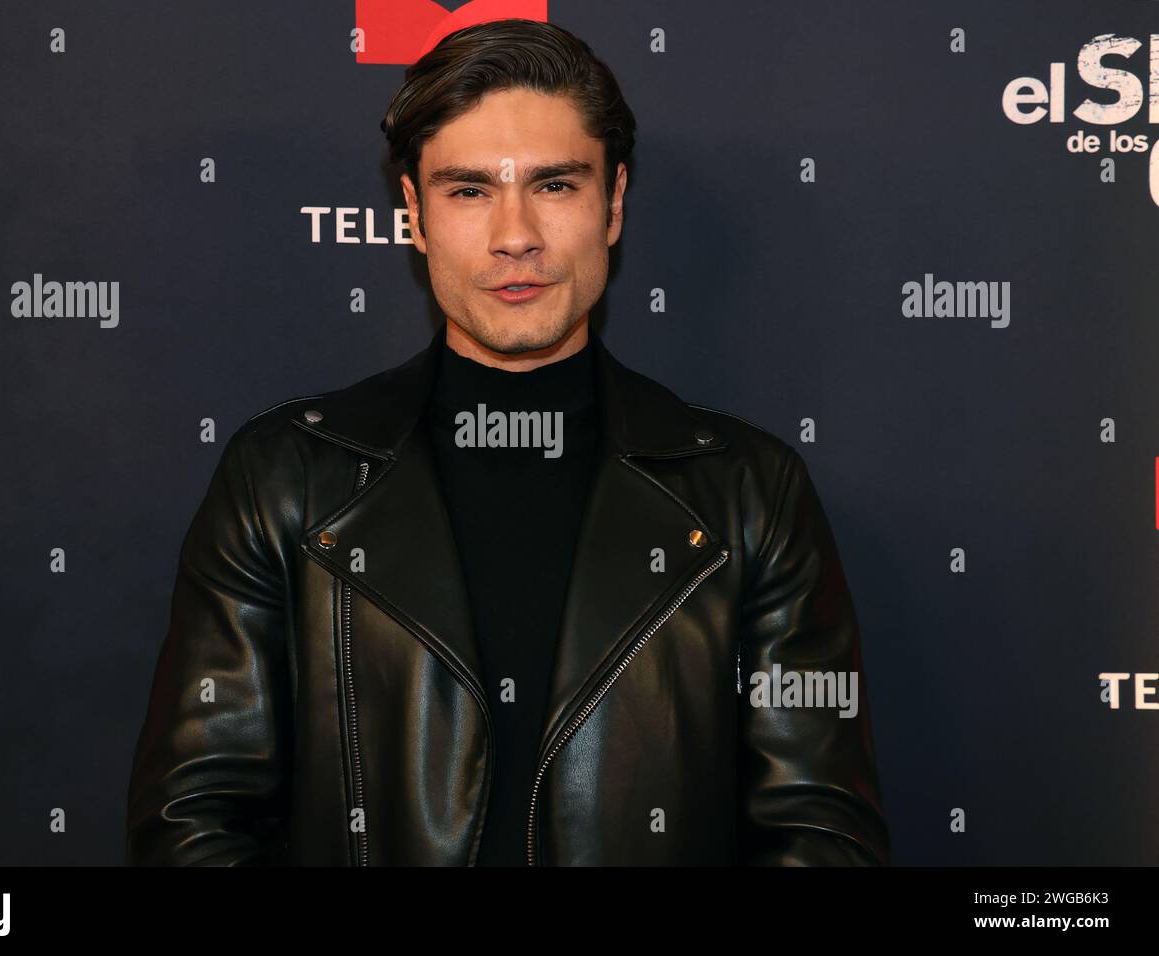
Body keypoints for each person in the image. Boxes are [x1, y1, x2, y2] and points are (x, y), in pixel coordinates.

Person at [125, 17, 890, 866]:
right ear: (414, 214)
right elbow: (194, 821)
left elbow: (822, 833)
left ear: (614, 203)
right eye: (468, 190)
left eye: (554, 185)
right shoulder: (284, 480)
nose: (514, 234)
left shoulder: (750, 493)